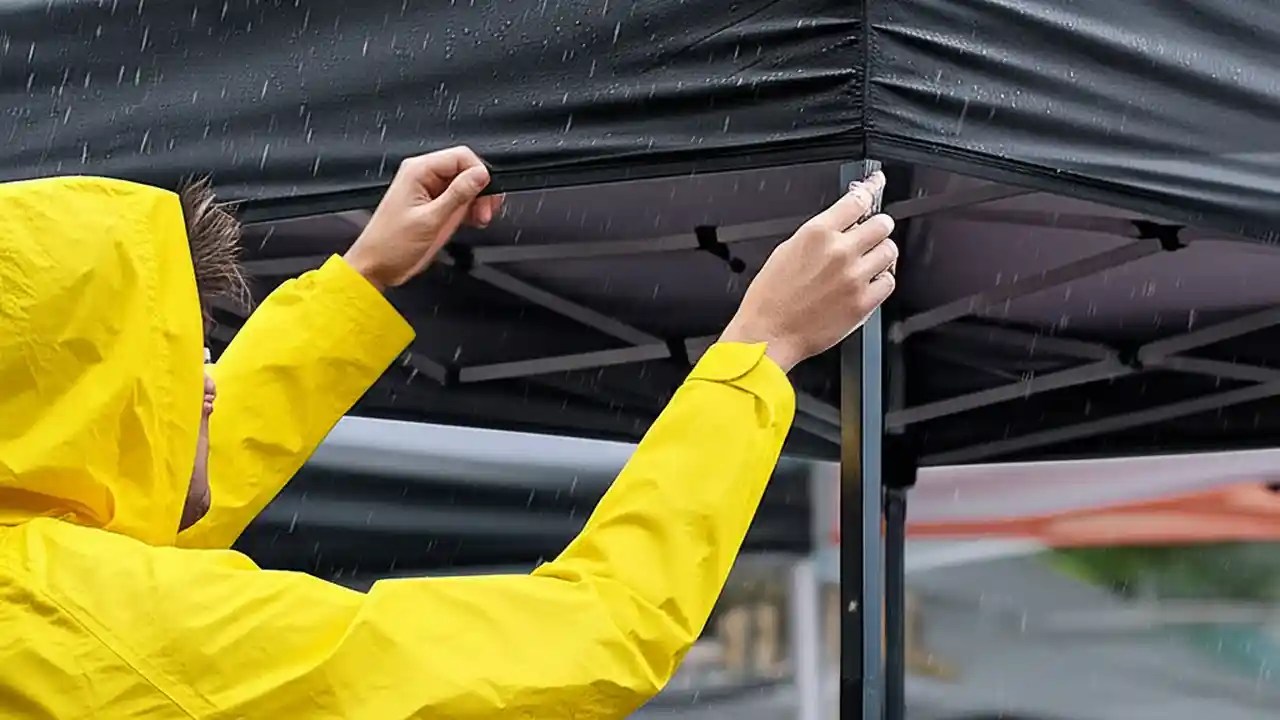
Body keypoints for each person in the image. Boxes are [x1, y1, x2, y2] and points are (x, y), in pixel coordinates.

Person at [0, 147, 897, 718]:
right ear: (88, 402)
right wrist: (757, 352)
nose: (203, 387)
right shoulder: (110, 632)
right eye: (167, 360)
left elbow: (136, 495)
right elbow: (596, 635)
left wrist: (357, 286)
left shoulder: (39, 586)